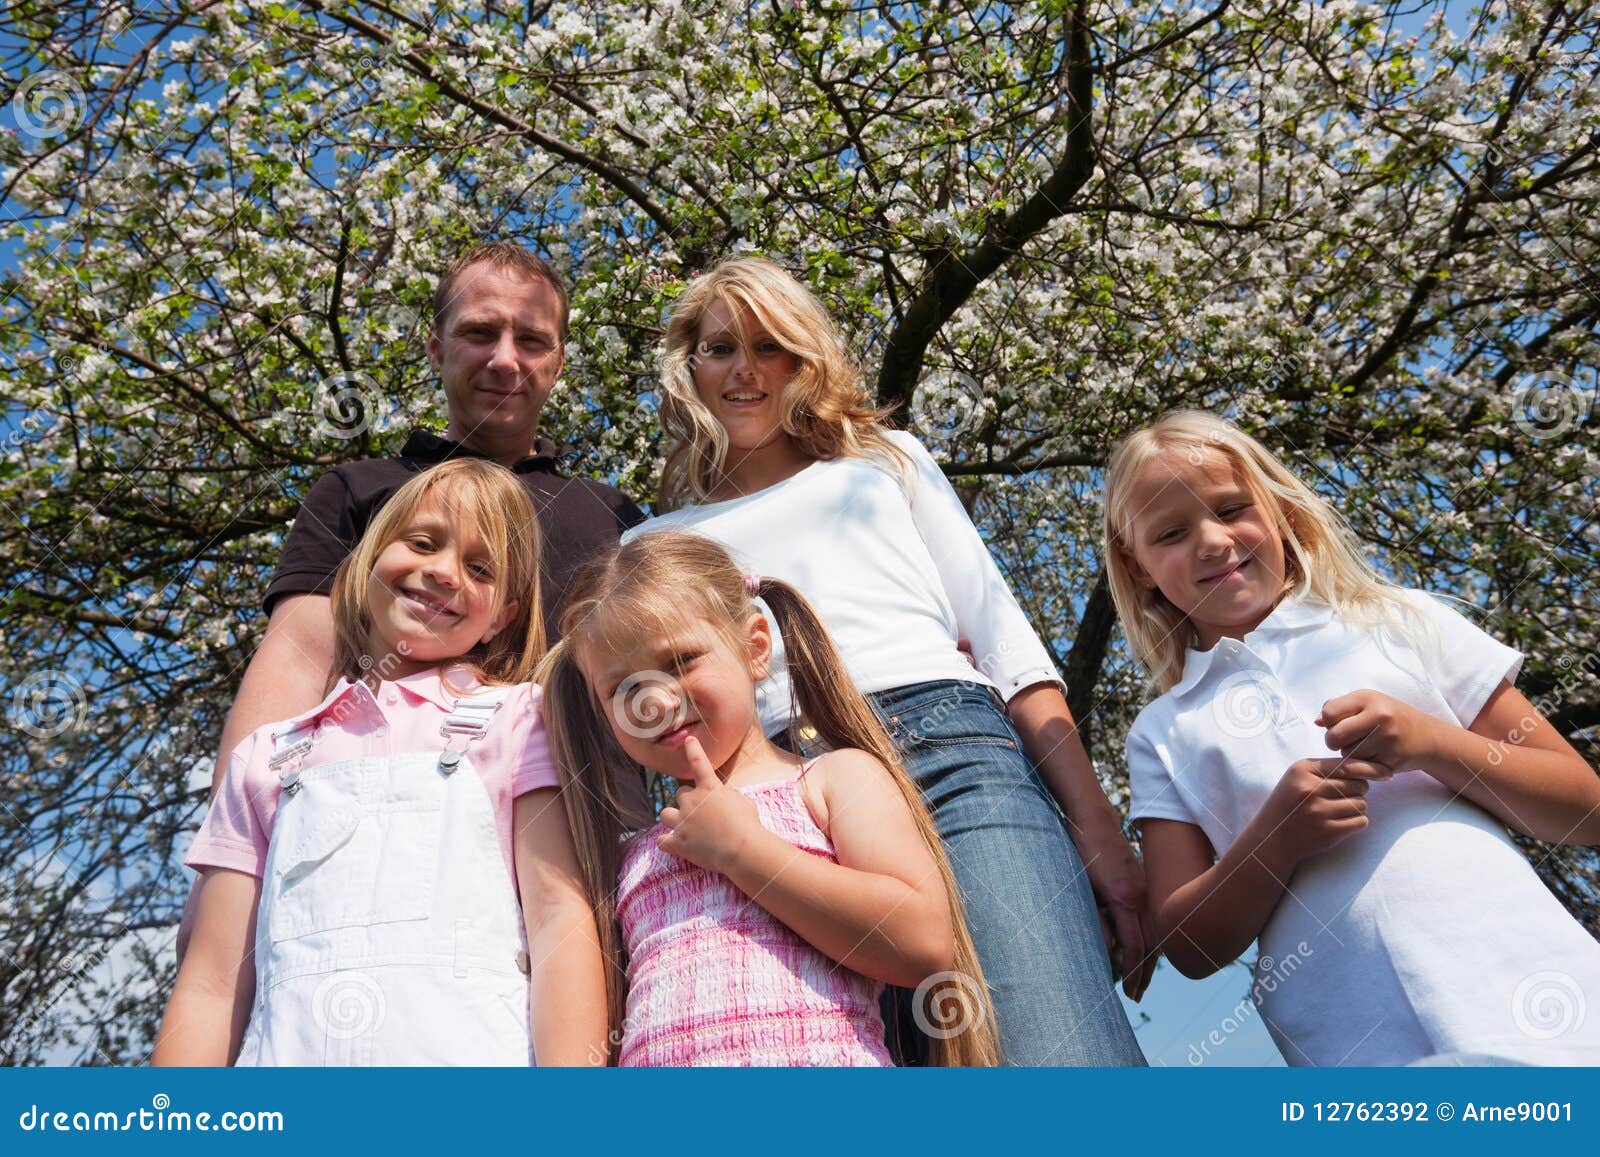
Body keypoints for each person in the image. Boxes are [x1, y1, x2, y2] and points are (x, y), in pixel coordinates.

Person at [627, 257, 1149, 1065]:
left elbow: (1007, 645)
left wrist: (1098, 829)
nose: (745, 370)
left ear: (805, 361)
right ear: (689, 365)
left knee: (1057, 1051)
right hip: (780, 790)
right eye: (722, 347)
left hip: (953, 753)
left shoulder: (887, 463)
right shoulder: (651, 546)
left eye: (771, 346)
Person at [178, 241, 643, 957]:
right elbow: (297, 657)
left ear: (558, 359)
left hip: (595, 849)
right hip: (383, 862)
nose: (505, 358)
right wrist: (227, 871)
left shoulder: (614, 516)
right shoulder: (361, 492)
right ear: (435, 345)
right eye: (480, 332)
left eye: (532, 339)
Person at [1105, 409, 1600, 1066]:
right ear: (1135, 566)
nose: (1214, 541)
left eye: (1231, 508)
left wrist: (1433, 744)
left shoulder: (1402, 621)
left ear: (1279, 509)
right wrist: (1273, 838)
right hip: (1354, 1047)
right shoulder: (1163, 732)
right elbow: (1190, 947)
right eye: (1171, 532)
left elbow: (1584, 806)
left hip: (1525, 990)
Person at [153, 460, 605, 1065]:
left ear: (503, 615)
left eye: (480, 568)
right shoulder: (268, 758)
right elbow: (211, 983)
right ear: (366, 560)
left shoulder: (521, 720)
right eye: (422, 543)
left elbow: (559, 923)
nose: (443, 573)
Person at [537, 530, 999, 1066]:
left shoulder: (833, 781)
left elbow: (920, 943)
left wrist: (744, 851)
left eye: (681, 661)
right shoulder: (632, 855)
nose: (655, 700)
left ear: (754, 648)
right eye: (622, 688)